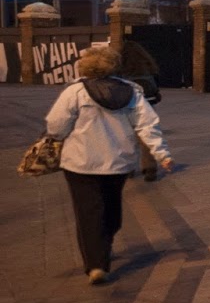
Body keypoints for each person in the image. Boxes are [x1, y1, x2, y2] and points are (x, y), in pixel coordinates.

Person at [44, 46, 173, 284]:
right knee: (112, 209)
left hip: (80, 163)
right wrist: (162, 154)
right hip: (118, 162)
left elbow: (55, 125)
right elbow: (148, 124)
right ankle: (105, 243)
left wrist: (60, 136)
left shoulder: (75, 92)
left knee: (88, 212)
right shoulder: (133, 91)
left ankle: (96, 264)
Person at [118, 39, 164, 181]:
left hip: (127, 106)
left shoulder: (119, 68)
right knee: (147, 136)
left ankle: (130, 168)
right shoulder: (149, 66)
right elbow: (156, 89)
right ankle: (150, 168)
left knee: (128, 138)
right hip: (148, 105)